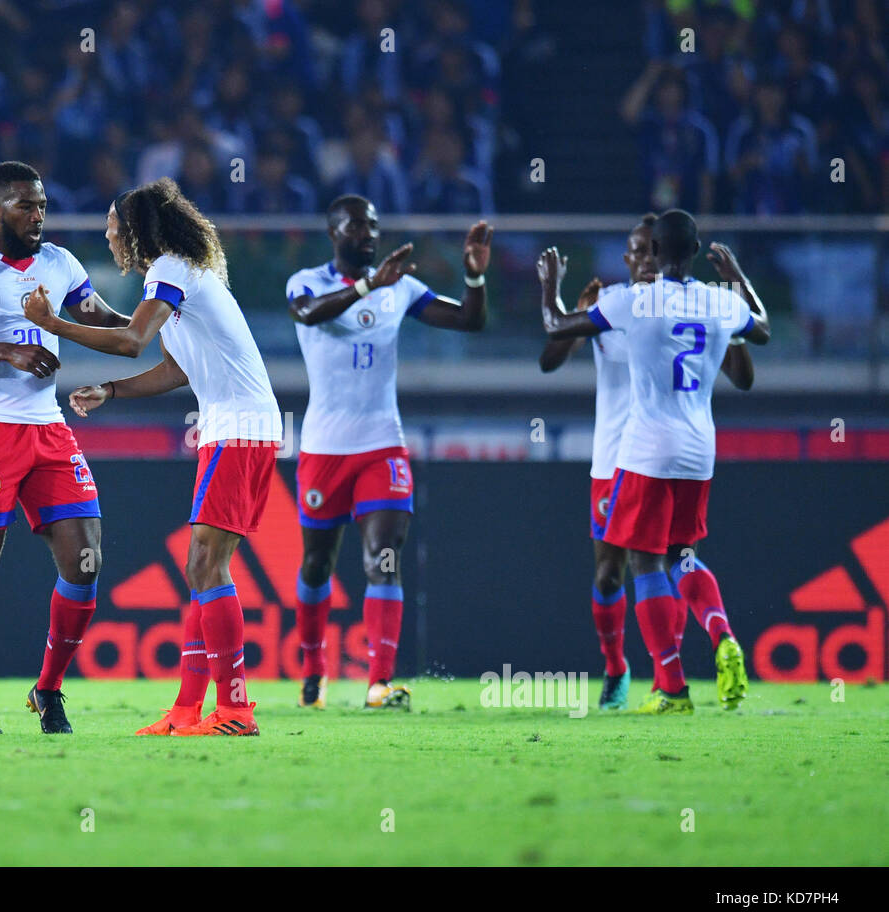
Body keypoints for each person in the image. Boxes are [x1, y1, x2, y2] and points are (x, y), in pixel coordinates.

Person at [21, 177, 281, 737]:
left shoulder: (169, 269)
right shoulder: (182, 274)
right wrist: (111, 391)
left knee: (206, 565)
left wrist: (51, 325)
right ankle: (187, 712)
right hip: (231, 427)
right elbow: (176, 367)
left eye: (114, 231)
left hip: (240, 427)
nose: (111, 241)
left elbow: (134, 339)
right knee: (202, 568)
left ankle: (235, 710)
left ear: (137, 232)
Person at [538, 209, 769, 714]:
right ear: (627, 257)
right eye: (635, 251)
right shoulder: (705, 301)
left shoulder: (628, 304)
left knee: (647, 562)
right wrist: (737, 284)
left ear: (659, 253)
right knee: (631, 569)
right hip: (656, 454)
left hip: (643, 453)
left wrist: (550, 287)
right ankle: (649, 656)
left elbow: (552, 323)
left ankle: (669, 682)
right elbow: (551, 353)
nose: (643, 258)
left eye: (650, 249)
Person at [0, 161, 130, 735]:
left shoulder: (60, 264)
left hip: (48, 428)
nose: (38, 215)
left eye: (42, 204)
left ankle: (48, 689)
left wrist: (161, 324)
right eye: (26, 205)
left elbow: (103, 321)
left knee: (85, 563)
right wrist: (8, 351)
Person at [287, 195, 491, 709]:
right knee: (316, 564)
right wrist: (366, 287)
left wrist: (473, 277)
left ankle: (379, 681)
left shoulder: (399, 287)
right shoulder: (307, 280)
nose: (369, 235)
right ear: (334, 232)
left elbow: (468, 320)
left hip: (383, 444)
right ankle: (314, 668)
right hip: (325, 448)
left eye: (373, 226)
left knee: (384, 558)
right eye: (357, 226)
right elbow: (308, 314)